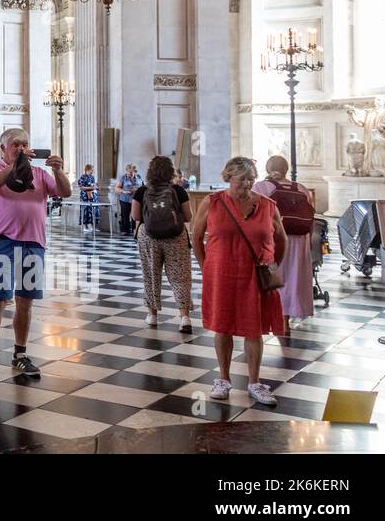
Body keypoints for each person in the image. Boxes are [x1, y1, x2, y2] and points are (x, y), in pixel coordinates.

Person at [0, 128, 71, 381]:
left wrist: (58, 170)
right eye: (15, 145)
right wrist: (15, 166)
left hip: (33, 243)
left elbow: (64, 192)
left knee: (25, 300)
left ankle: (20, 353)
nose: (21, 148)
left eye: (24, 144)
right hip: (2, 242)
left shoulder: (39, 173)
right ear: (3, 148)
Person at [193, 156, 287, 408]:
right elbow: (196, 236)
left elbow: (281, 239)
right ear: (229, 177)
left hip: (254, 276)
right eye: (242, 179)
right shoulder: (212, 202)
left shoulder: (268, 205)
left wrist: (271, 266)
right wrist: (206, 267)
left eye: (251, 179)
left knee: (254, 329)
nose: (247, 184)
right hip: (221, 275)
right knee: (222, 326)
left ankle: (255, 382)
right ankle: (223, 379)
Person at [131, 155, 195, 332]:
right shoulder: (178, 190)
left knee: (151, 275)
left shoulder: (141, 191)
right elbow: (188, 217)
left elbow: (135, 216)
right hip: (176, 237)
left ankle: (152, 316)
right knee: (180, 276)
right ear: (170, 172)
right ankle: (184, 318)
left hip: (149, 237)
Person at [253, 155, 315, 335]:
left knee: (274, 277)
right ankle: (285, 319)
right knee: (294, 279)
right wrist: (310, 243)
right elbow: (311, 217)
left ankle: (273, 318)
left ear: (267, 168)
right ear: (287, 170)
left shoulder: (261, 187)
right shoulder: (301, 188)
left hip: (274, 239)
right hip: (300, 240)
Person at [115, 163, 142, 235]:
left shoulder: (139, 177)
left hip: (136, 200)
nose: (129, 173)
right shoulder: (123, 178)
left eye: (131, 172)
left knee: (135, 215)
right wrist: (124, 191)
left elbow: (142, 187)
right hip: (125, 199)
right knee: (125, 215)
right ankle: (125, 230)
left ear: (135, 171)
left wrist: (138, 189)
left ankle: (135, 230)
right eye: (128, 172)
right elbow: (116, 188)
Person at [77, 165, 99, 232]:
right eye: (91, 170)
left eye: (92, 170)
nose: (92, 171)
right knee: (85, 210)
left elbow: (93, 185)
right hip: (85, 196)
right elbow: (81, 187)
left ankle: (93, 226)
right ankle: (85, 226)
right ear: (87, 170)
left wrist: (95, 187)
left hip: (92, 195)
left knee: (93, 210)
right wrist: (90, 188)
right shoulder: (82, 177)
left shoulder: (92, 177)